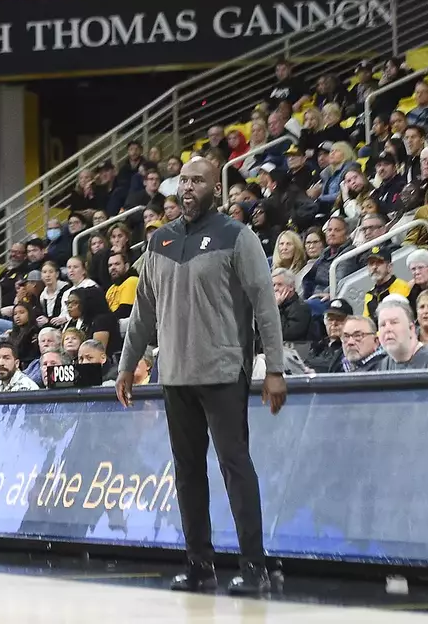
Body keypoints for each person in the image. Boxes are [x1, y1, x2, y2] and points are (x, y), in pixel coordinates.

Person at [118, 156, 285, 596]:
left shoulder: (238, 236)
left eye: (198, 181)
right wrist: (126, 365)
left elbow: (265, 305)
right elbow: (143, 312)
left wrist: (276, 368)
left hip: (224, 371)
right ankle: (199, 565)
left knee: (235, 466)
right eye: (184, 181)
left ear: (216, 187)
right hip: (174, 375)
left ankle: (254, 566)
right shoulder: (160, 242)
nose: (188, 188)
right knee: (188, 472)